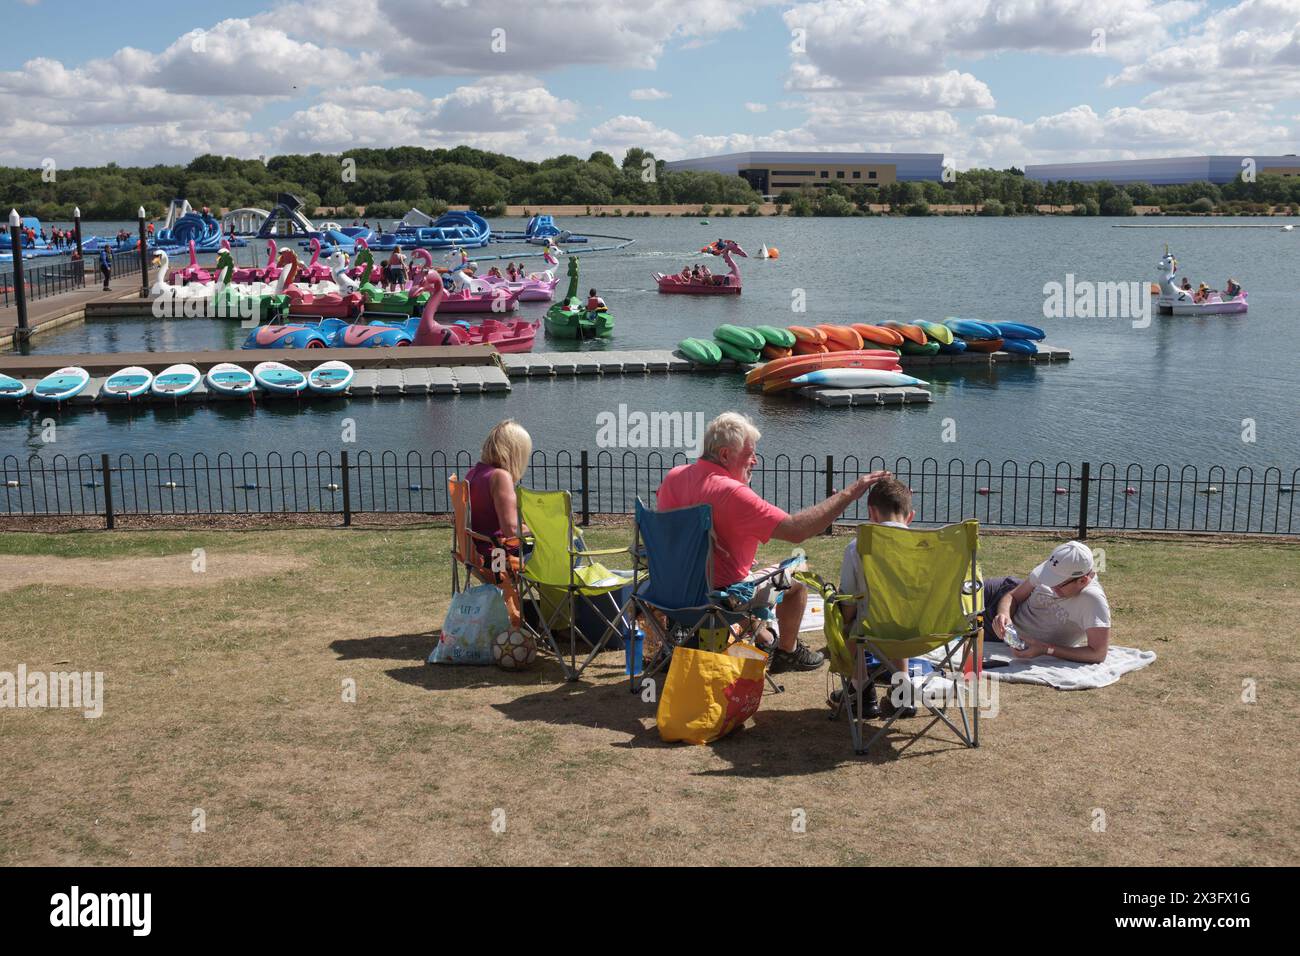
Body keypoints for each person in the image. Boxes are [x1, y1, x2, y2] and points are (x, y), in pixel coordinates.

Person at [656, 412, 891, 673]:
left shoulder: (674, 477)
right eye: (749, 454)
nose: (755, 461)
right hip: (716, 600)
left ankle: (763, 636)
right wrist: (850, 493)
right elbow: (796, 530)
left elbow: (682, 538)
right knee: (798, 576)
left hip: (670, 593)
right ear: (725, 455)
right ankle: (787, 652)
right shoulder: (732, 493)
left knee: (751, 575)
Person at [833, 477, 918, 718]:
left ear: (871, 513)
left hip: (873, 630)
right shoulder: (927, 546)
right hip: (924, 630)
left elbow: (848, 601)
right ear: (910, 516)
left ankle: (860, 691)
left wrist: (843, 617)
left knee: (850, 620)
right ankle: (902, 692)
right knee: (900, 616)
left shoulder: (858, 546)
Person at [984, 541, 1111, 664]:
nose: (1051, 587)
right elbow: (1013, 596)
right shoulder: (1057, 568)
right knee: (966, 589)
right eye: (1048, 579)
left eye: (1058, 584)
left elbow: (1098, 653)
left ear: (1082, 581)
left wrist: (1046, 649)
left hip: (997, 637)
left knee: (968, 631)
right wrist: (1004, 615)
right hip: (997, 595)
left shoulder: (1092, 599)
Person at [465, 420, 533, 567]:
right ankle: (555, 589)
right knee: (572, 543)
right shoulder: (500, 477)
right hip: (499, 557)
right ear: (515, 452)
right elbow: (511, 530)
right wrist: (541, 529)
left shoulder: (473, 473)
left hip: (478, 552)